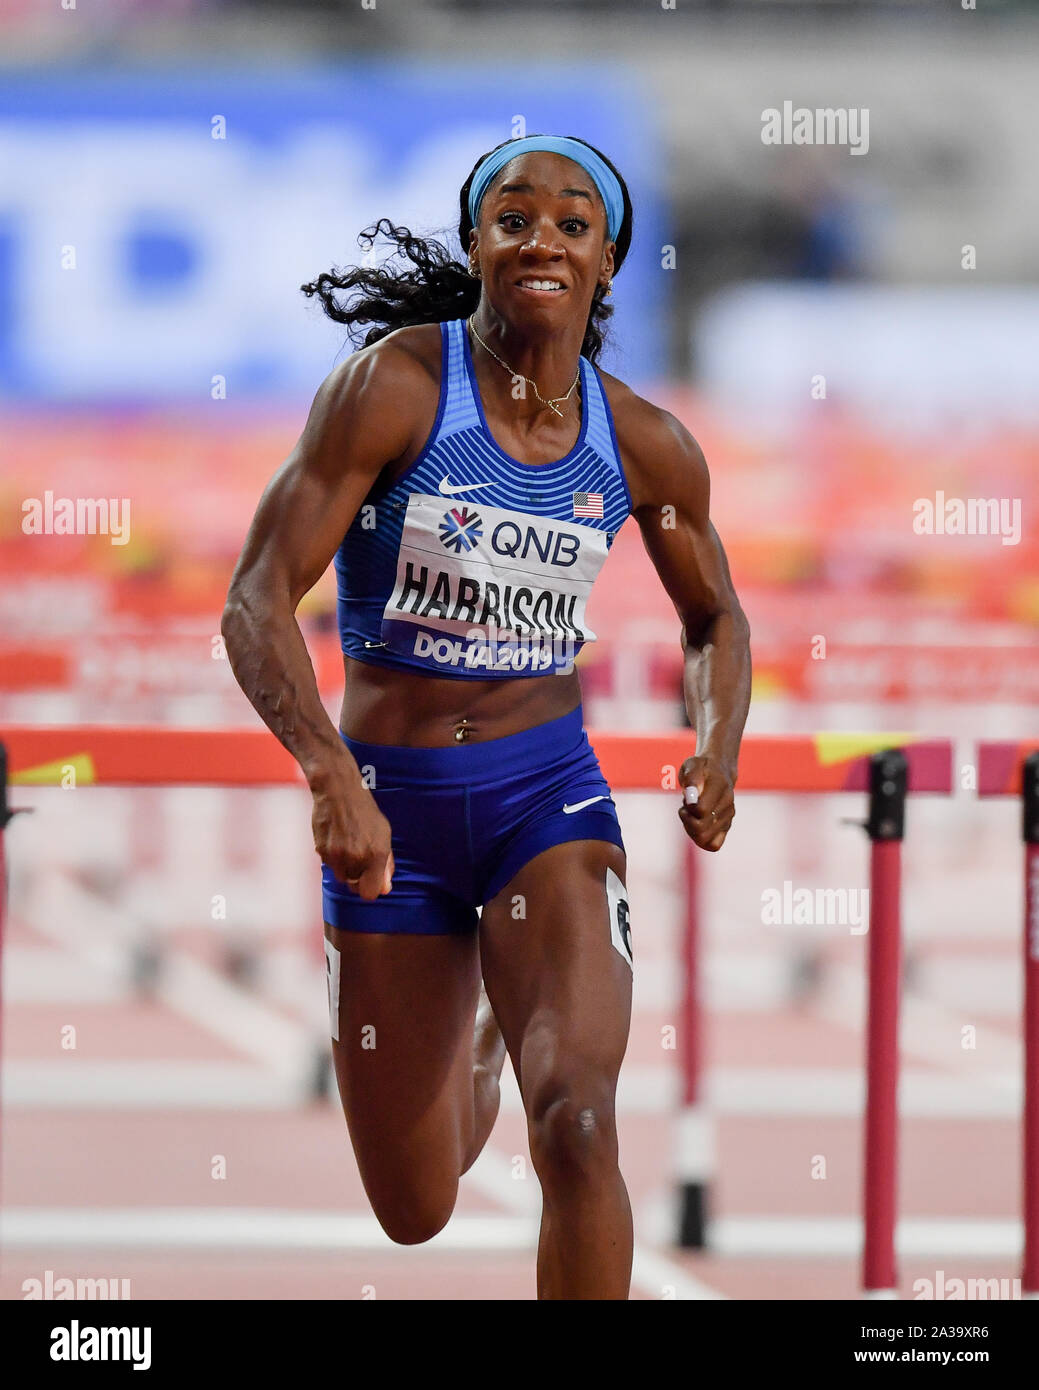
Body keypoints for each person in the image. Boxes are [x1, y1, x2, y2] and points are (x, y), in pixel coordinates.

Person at [222, 134, 751, 1300]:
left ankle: (519, 1036)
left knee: (576, 1126)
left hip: (542, 800)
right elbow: (256, 593)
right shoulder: (394, 391)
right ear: (476, 246)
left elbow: (714, 617)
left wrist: (716, 746)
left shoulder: (645, 445)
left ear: (606, 261)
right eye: (513, 218)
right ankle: (471, 1038)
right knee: (415, 1207)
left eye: (571, 223)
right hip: (389, 815)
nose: (541, 239)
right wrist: (327, 773)